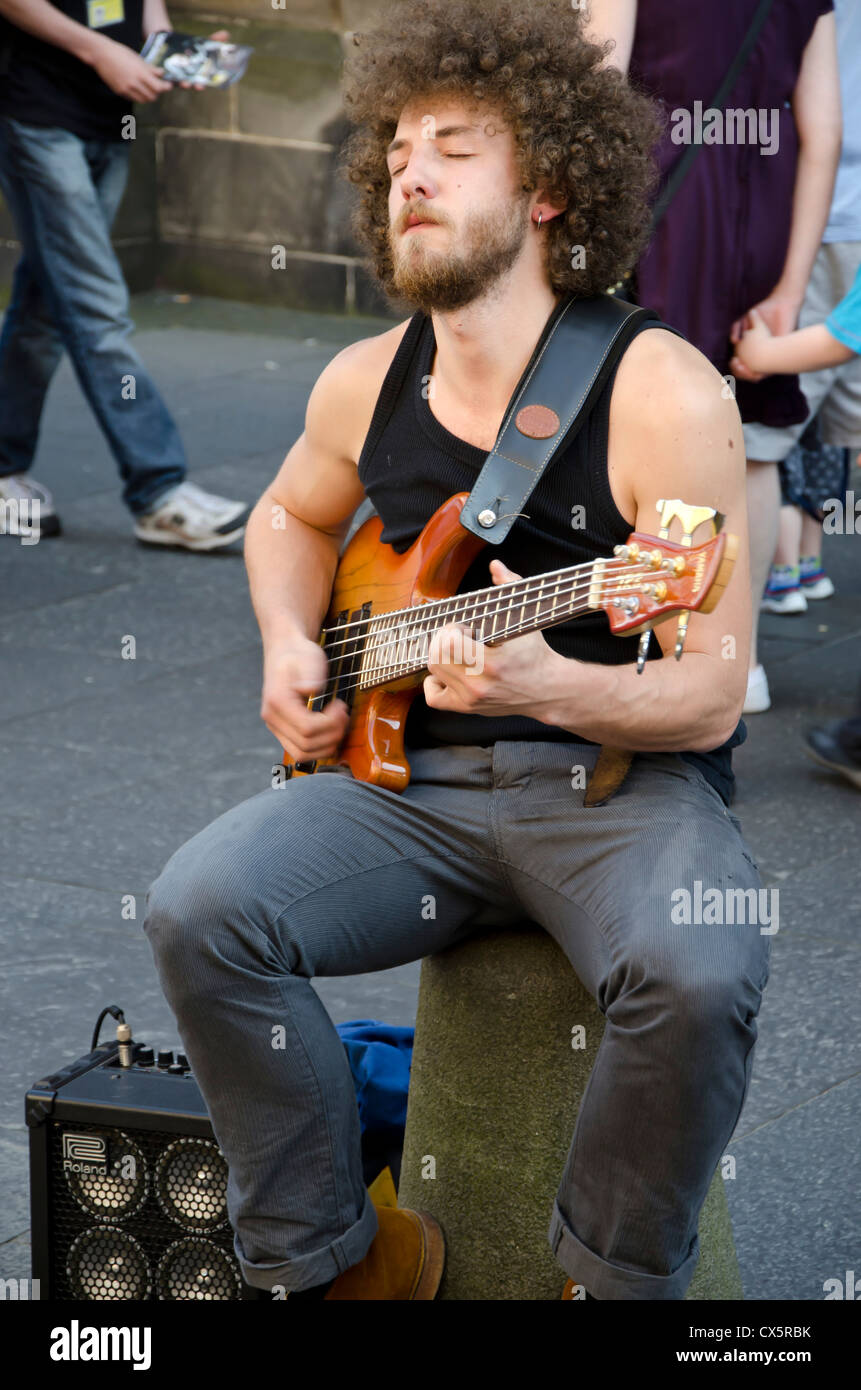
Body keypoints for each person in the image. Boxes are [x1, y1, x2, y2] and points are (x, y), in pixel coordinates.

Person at [143, 0, 769, 1301]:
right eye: (396, 147)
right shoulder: (362, 375)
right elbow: (284, 517)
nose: (406, 170)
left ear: (546, 185)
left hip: (614, 791)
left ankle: (608, 1278)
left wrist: (559, 682)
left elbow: (709, 690)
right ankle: (332, 1258)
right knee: (199, 907)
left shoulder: (663, 391)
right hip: (402, 792)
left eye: (453, 145)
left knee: (702, 965)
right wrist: (285, 645)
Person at [585, 0, 841, 716]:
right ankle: (738, 662)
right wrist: (790, 286)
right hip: (763, 223)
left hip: (661, 216)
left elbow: (597, 87)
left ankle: (649, 653)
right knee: (750, 443)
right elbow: (821, 131)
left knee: (632, 425)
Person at [0, 0, 250, 548]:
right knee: (97, 309)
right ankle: (157, 492)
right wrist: (100, 50)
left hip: (109, 122)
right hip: (42, 116)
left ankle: (2, 468)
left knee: (44, 304)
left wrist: (165, 47)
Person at [733, 0, 861, 664]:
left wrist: (765, 349)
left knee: (763, 439)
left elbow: (842, 332)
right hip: (831, 214)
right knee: (837, 434)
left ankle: (741, 650)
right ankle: (803, 562)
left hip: (822, 217)